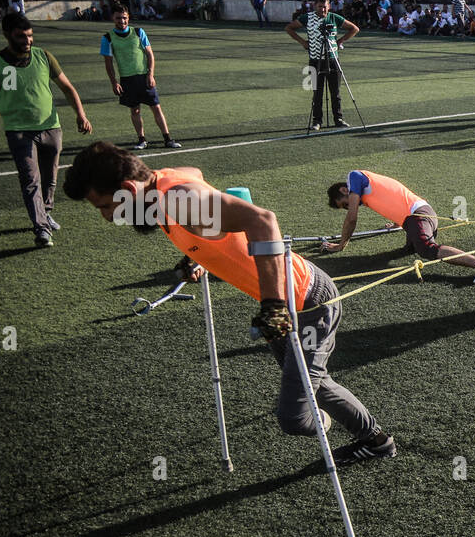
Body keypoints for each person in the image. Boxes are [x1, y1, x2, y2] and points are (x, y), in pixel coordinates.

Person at [63, 141, 397, 464]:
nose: (108, 217)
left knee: (295, 416)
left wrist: (273, 307)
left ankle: (327, 421)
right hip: (287, 304)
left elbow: (262, 220)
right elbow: (193, 171)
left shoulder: (180, 200)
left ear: (128, 189)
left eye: (106, 206)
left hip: (306, 303)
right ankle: (376, 441)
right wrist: (197, 255)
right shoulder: (162, 186)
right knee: (315, 383)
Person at [0, 13, 93, 249]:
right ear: (7, 35)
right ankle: (41, 229)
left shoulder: (44, 56)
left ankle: (45, 213)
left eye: (29, 35)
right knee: (30, 179)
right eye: (21, 36)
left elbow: (67, 88)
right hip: (18, 132)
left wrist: (81, 115)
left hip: (51, 128)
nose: (27, 40)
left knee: (50, 180)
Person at [321, 169, 475, 285]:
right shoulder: (365, 186)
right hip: (416, 217)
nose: (348, 206)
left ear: (344, 190)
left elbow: (351, 218)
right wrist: (397, 222)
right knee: (410, 249)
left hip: (418, 216)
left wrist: (341, 244)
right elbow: (391, 195)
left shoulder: (354, 177)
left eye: (344, 203)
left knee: (426, 248)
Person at [100, 3, 180, 151]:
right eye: (118, 18)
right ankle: (142, 140)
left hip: (144, 77)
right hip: (127, 79)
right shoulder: (107, 38)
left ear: (128, 17)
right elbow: (108, 63)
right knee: (135, 110)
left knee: (156, 108)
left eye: (124, 18)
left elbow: (150, 54)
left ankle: (168, 139)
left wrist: (150, 74)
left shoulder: (138, 32)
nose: (122, 21)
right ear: (113, 18)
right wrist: (114, 82)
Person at [286, 0, 358, 131]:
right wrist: (303, 42)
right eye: (320, 7)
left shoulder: (334, 17)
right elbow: (289, 28)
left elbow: (354, 29)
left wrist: (340, 41)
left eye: (325, 7)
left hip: (332, 59)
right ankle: (317, 121)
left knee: (335, 92)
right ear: (315, 6)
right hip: (314, 59)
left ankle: (338, 119)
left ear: (329, 6)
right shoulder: (307, 17)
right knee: (317, 92)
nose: (323, 10)